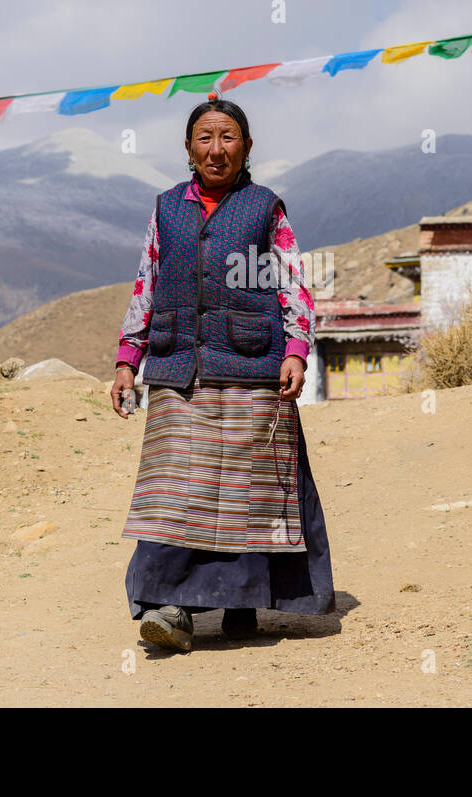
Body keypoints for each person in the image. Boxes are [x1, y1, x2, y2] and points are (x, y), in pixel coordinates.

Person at [109, 96, 336, 652]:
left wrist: (297, 349)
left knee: (244, 491)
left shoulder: (263, 209)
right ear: (188, 148)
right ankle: (169, 607)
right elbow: (147, 284)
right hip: (177, 370)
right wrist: (126, 359)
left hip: (250, 369)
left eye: (228, 137)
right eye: (205, 138)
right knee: (174, 491)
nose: (217, 149)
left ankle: (240, 602)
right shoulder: (167, 209)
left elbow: (291, 285)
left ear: (248, 147)